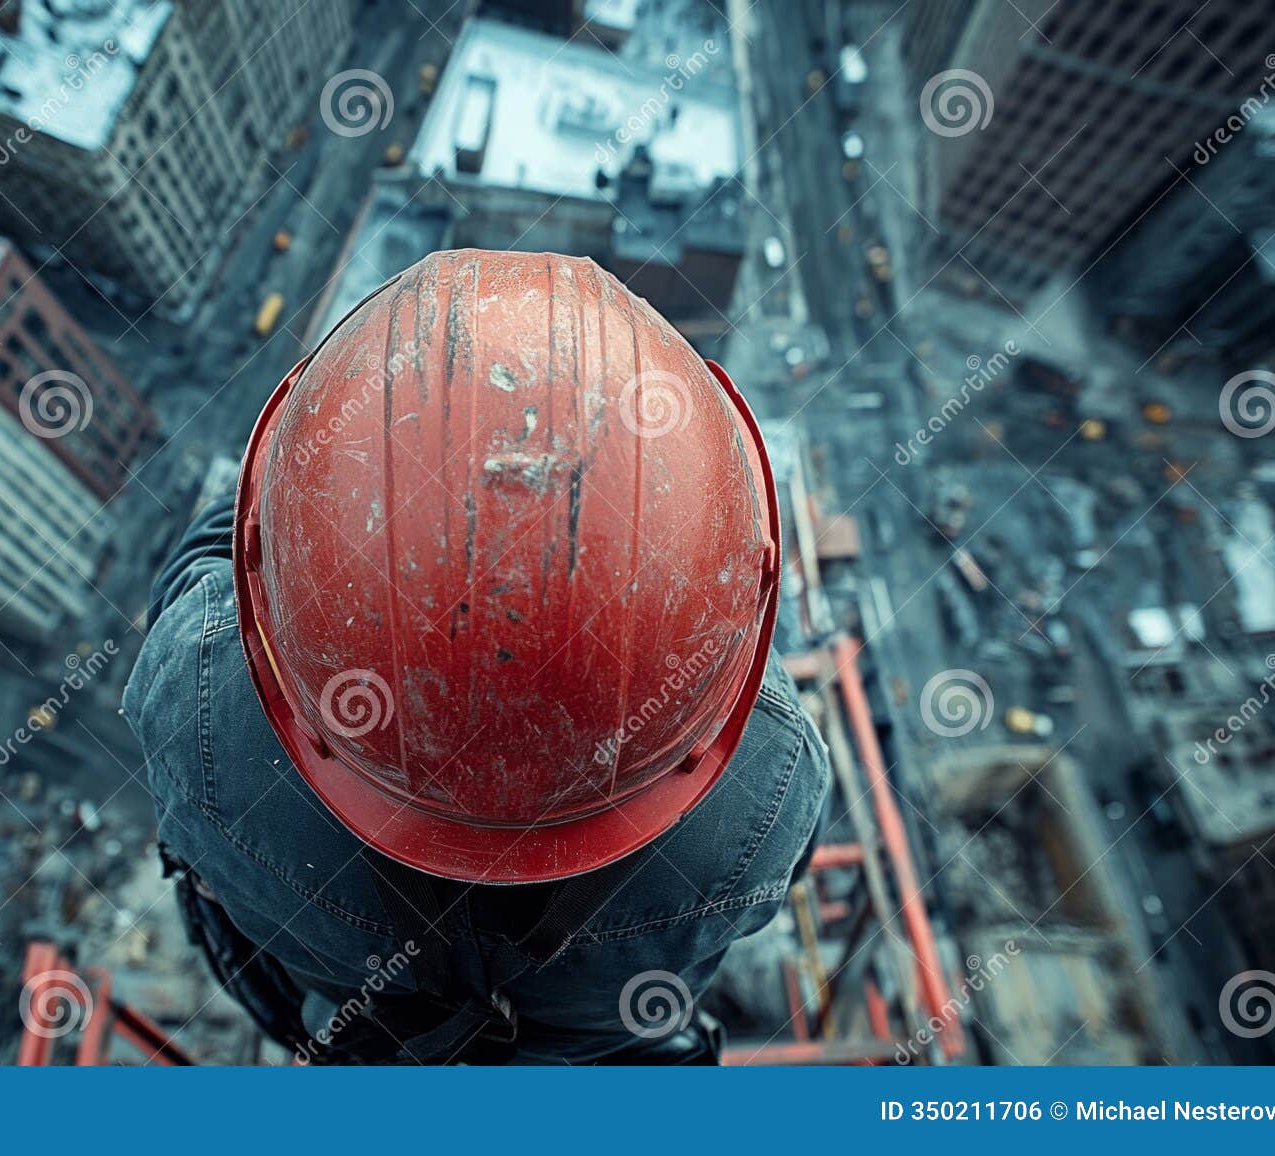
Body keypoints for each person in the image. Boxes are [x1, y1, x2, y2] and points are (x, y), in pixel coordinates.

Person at [123, 249, 831, 1064]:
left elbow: (216, 567)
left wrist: (312, 480)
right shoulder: (768, 786)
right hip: (598, 1057)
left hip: (361, 1035)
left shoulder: (201, 710)